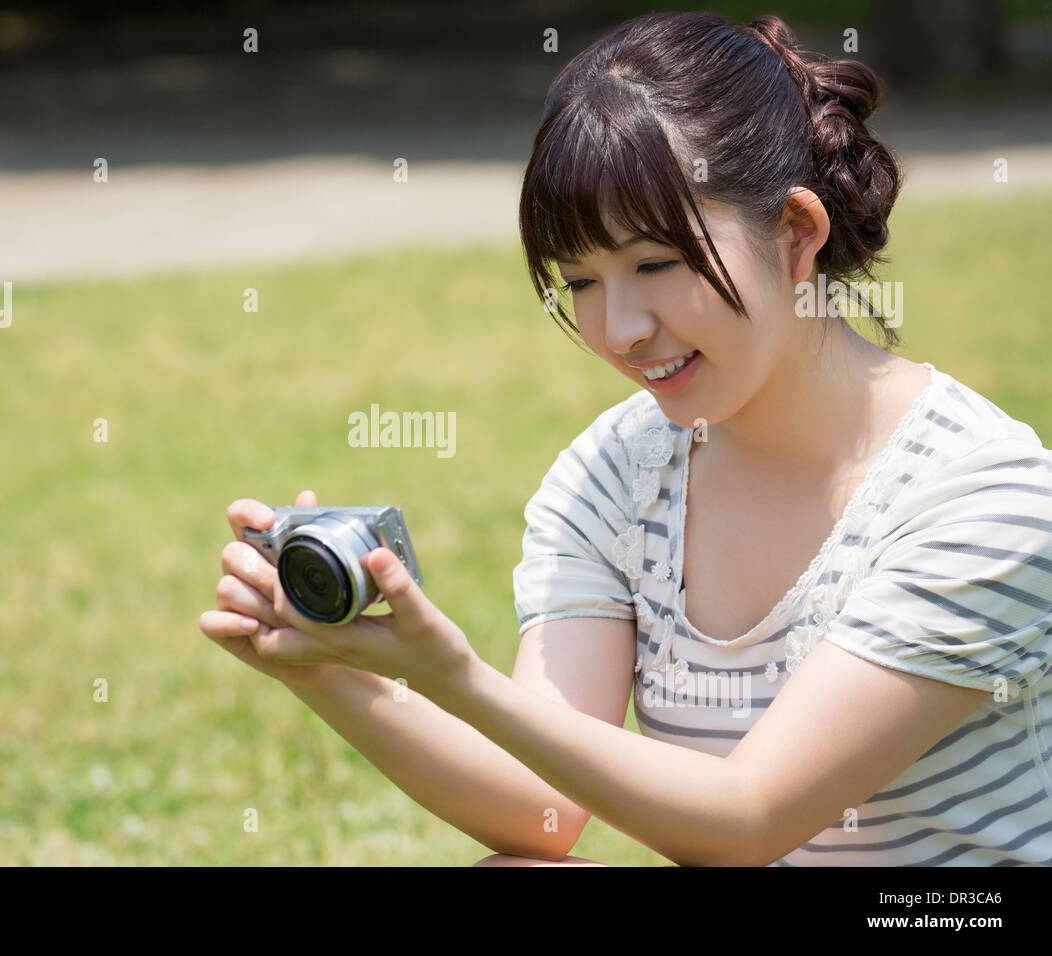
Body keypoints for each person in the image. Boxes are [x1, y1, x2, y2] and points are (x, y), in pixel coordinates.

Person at [198, 12, 1052, 866]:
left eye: (655, 265)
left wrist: (454, 678)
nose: (621, 329)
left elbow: (750, 819)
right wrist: (329, 668)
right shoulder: (617, 475)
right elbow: (540, 812)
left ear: (796, 235)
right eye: (579, 281)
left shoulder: (979, 494)